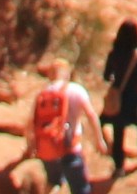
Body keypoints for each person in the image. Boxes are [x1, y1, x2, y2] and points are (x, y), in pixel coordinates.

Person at [28, 56, 97, 194]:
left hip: (47, 147)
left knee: (53, 181)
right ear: (67, 73)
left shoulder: (43, 94)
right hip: (70, 148)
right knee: (81, 189)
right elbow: (91, 115)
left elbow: (30, 124)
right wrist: (99, 140)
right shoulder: (76, 90)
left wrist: (31, 145)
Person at [100, 20, 137, 172]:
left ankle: (119, 167)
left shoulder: (113, 54)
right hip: (134, 96)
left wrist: (117, 80)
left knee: (118, 132)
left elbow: (106, 76)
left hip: (118, 95)